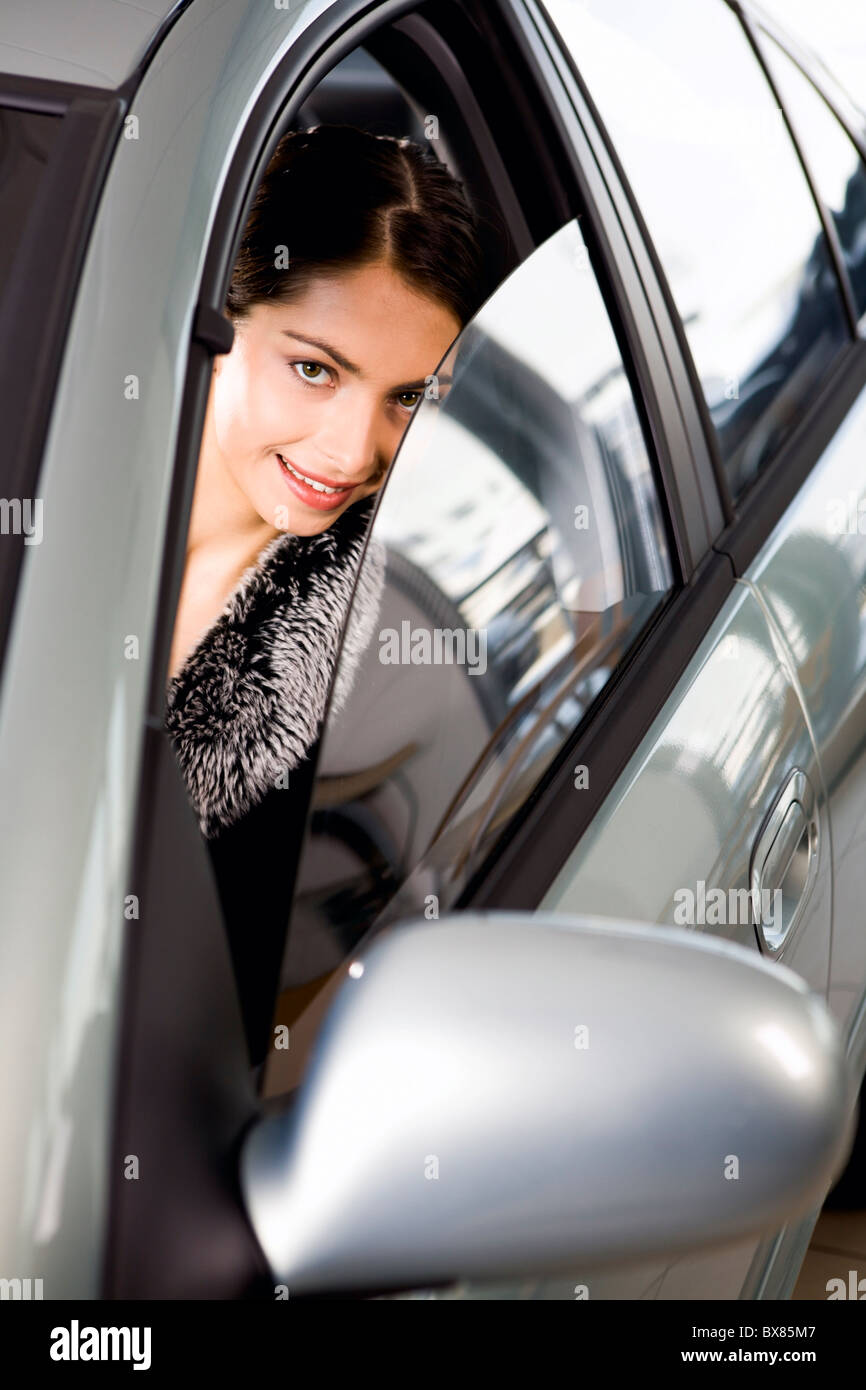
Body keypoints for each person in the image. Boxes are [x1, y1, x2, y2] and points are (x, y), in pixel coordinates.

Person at [162, 123, 487, 1063]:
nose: (353, 455)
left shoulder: (364, 679)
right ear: (219, 320)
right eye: (315, 368)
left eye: (406, 398)